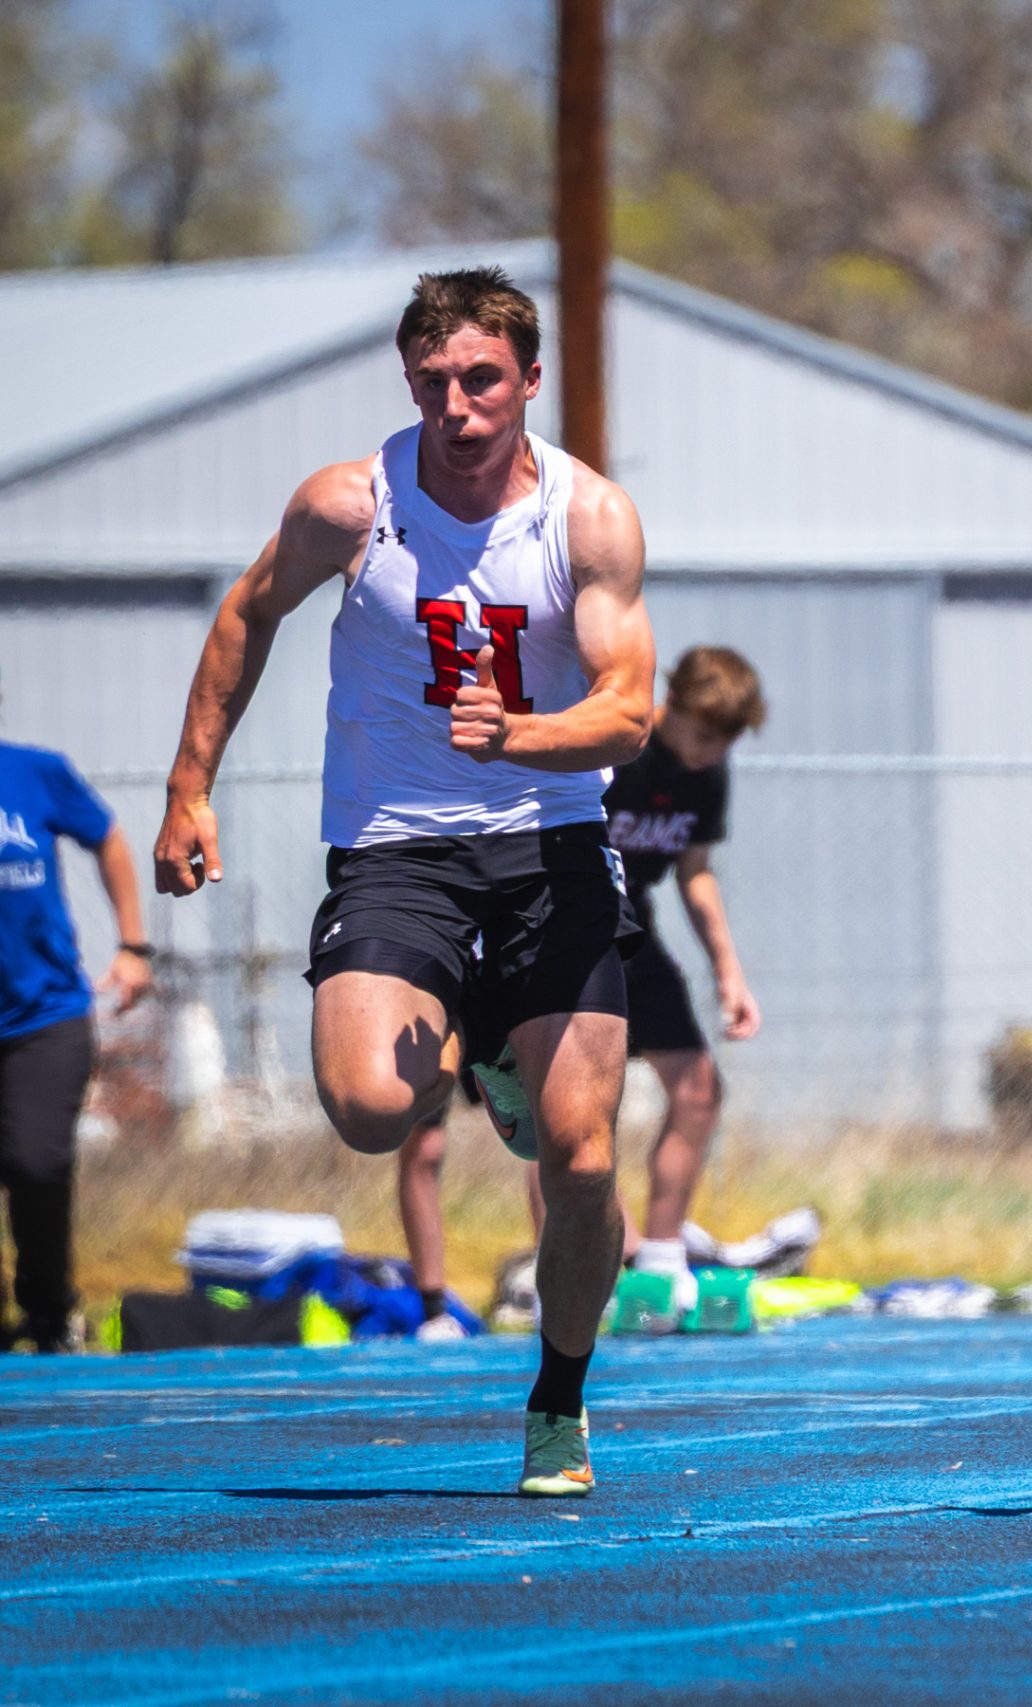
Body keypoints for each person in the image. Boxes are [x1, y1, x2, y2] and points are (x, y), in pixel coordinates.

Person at [154, 267, 655, 1497]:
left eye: (482, 379)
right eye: (433, 382)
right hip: (397, 845)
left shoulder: (587, 520)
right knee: (369, 1108)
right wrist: (189, 786)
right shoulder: (350, 505)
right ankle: (483, 1051)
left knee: (583, 1160)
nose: (457, 406)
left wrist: (520, 737)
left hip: (548, 844)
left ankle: (559, 1397)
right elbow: (247, 613)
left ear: (528, 380)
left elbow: (629, 710)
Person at [396, 645, 767, 1334]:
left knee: (698, 1089)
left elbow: (695, 871)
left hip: (634, 930)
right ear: (671, 707)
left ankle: (660, 1264)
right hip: (563, 921)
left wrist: (729, 972)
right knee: (563, 1111)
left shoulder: (707, 773)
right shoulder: (614, 745)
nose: (712, 754)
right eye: (704, 736)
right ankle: (558, 1273)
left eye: (724, 744)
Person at [0, 741, 153, 1350]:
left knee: (36, 1162)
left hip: (44, 1014)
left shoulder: (34, 773)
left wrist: (133, 947)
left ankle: (50, 1313)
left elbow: (108, 837)